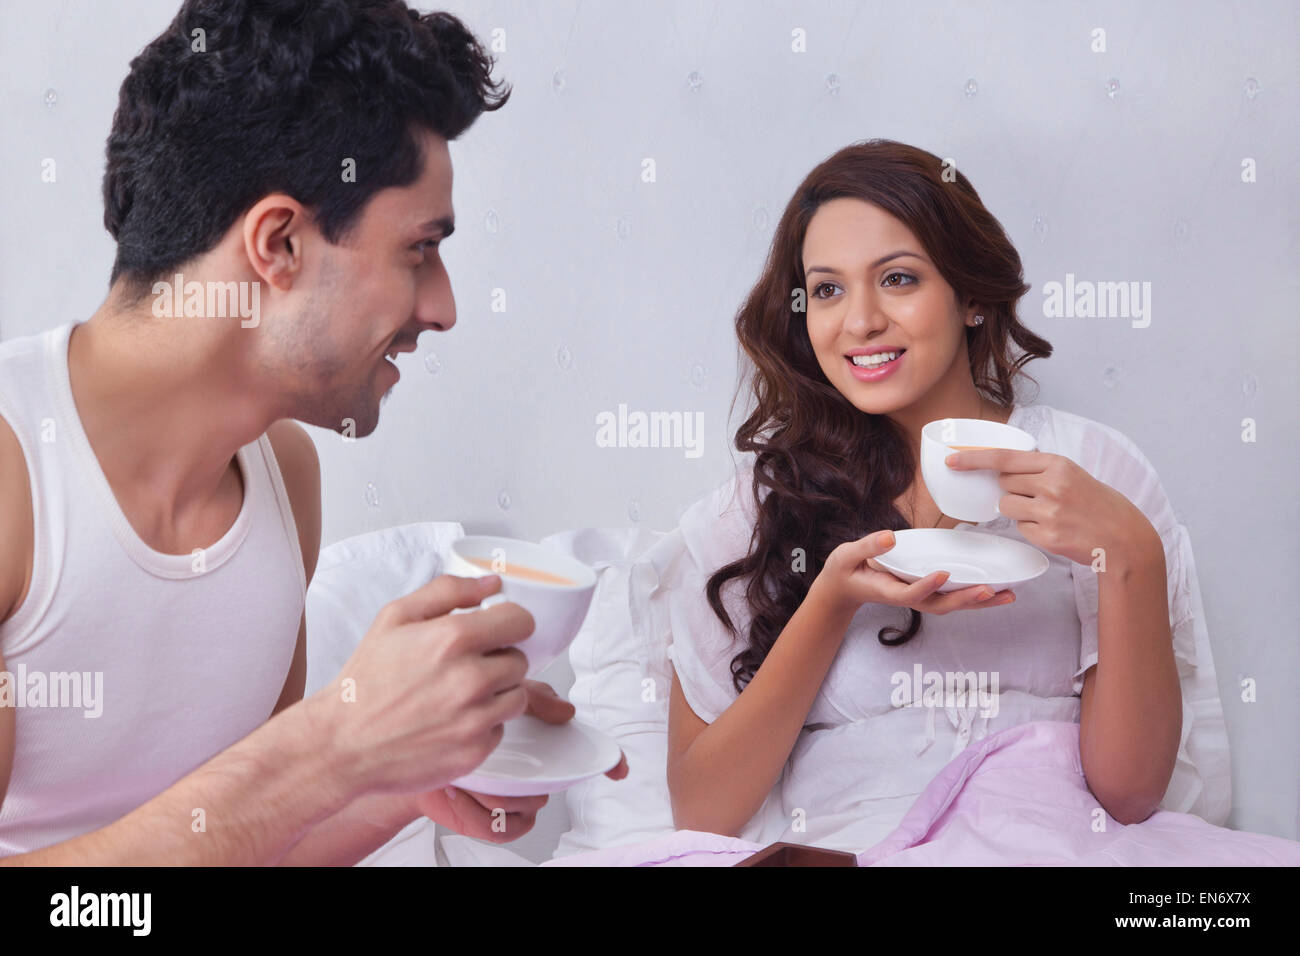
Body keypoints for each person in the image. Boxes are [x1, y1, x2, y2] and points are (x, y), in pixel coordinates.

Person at [0, 0, 624, 865]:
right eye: (419, 249)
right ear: (280, 243)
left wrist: (400, 781)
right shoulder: (13, 474)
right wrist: (335, 743)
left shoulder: (282, 475)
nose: (442, 308)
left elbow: (248, 842)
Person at [664, 139, 1200, 850]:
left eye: (898, 279)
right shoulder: (756, 511)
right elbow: (703, 814)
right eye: (827, 289)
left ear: (971, 295)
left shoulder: (1091, 470)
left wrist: (1129, 552)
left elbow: (1128, 795)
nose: (859, 322)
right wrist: (831, 601)